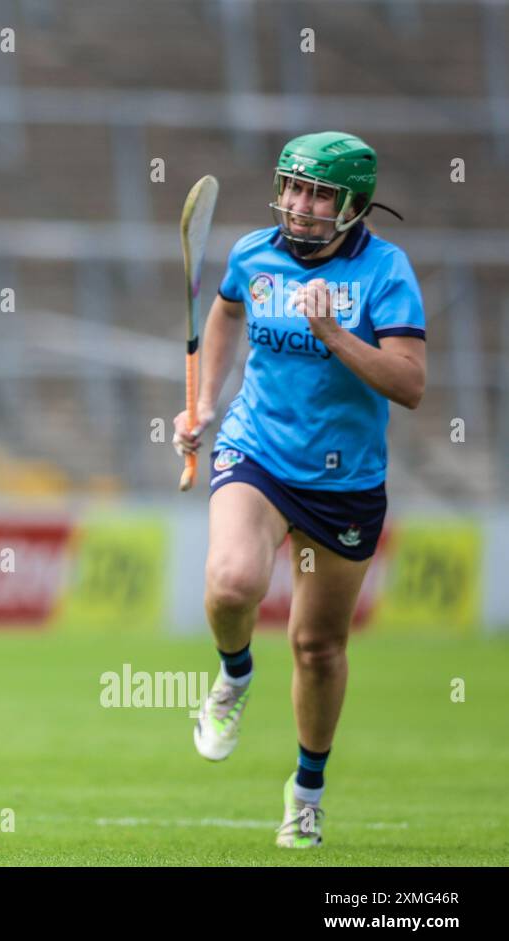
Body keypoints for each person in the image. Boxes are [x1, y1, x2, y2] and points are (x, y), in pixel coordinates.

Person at [172, 131, 426, 848]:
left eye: (318, 193)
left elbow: (410, 385)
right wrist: (205, 403)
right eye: (292, 186)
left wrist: (335, 333)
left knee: (317, 648)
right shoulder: (255, 253)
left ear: (354, 204)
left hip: (345, 484)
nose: (299, 204)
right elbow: (226, 312)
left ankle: (306, 790)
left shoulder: (386, 272)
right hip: (258, 453)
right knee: (231, 582)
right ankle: (233, 675)